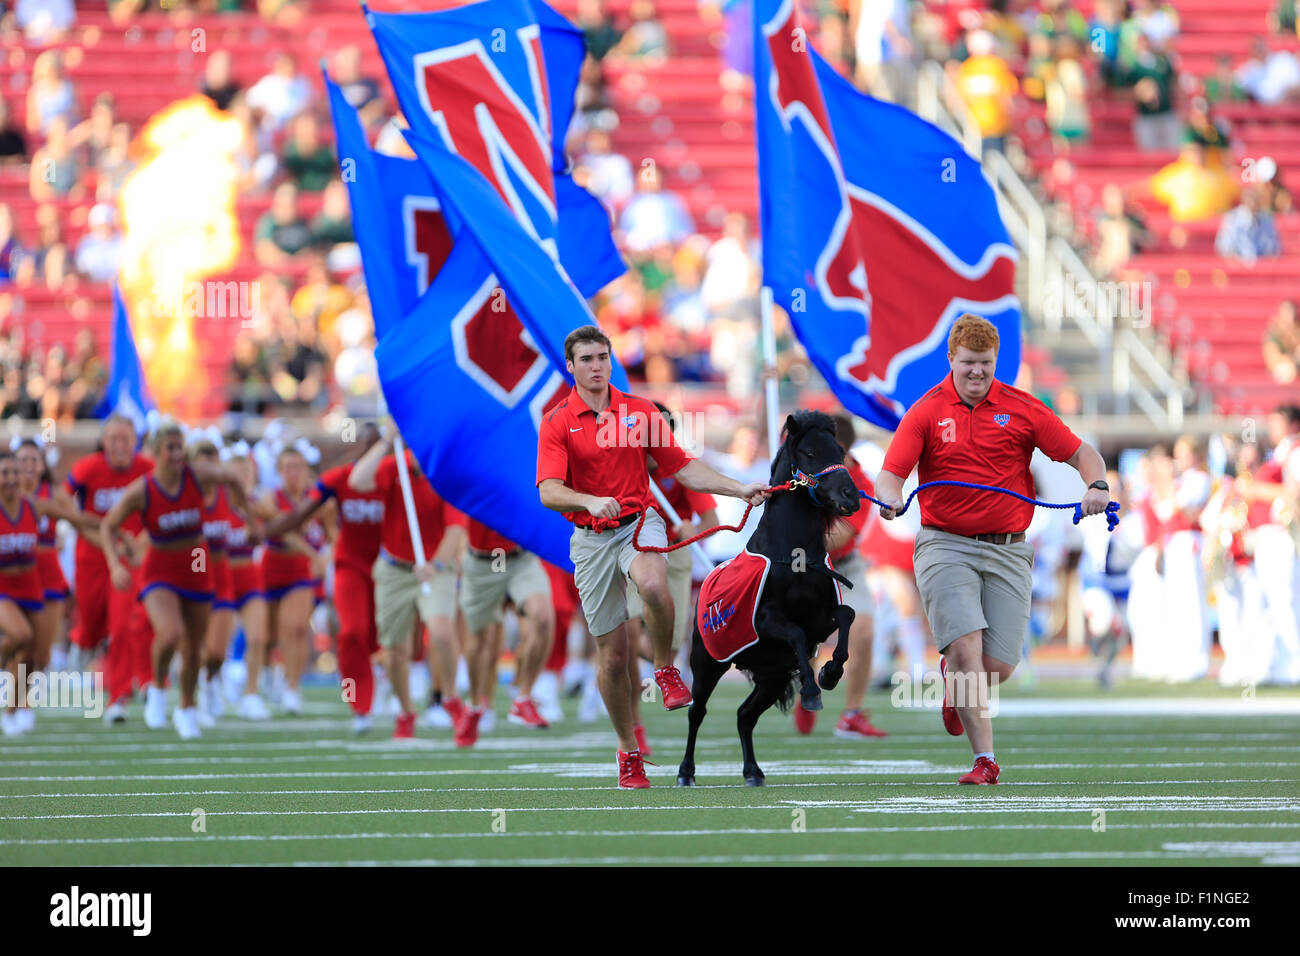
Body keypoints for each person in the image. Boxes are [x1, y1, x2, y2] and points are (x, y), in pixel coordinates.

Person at [874, 314, 1109, 784]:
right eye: (968, 364)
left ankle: (954, 681)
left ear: (995, 361)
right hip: (945, 545)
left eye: (985, 363)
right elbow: (891, 472)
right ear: (951, 360)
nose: (977, 372)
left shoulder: (1023, 408)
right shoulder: (926, 411)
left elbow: (1082, 453)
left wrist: (1097, 483)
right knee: (966, 649)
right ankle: (985, 760)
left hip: (1008, 549)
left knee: (996, 665)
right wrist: (891, 497)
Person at [536, 325, 769, 789]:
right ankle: (628, 751)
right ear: (571, 366)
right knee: (613, 658)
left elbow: (683, 467)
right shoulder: (558, 420)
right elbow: (548, 491)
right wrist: (586, 501)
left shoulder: (639, 413)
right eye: (587, 359)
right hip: (589, 536)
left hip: (639, 524)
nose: (597, 365)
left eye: (603, 356)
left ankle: (665, 668)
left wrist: (738, 488)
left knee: (657, 586)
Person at [100, 421, 250, 740]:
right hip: (160, 567)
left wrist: (247, 514)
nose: (177, 453)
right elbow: (107, 526)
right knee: (170, 634)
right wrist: (115, 565)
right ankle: (156, 688)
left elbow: (234, 476)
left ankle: (187, 707)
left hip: (196, 564)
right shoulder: (142, 490)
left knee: (195, 648)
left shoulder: (198, 474)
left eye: (180, 446)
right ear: (154, 453)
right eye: (170, 447)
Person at [265, 423, 386, 734]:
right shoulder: (339, 478)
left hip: (390, 569)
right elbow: (301, 514)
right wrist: (265, 532)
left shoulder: (395, 476)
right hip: (350, 567)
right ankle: (359, 704)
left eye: (378, 447)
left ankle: (399, 690)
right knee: (350, 633)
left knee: (384, 639)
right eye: (365, 446)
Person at [348, 430, 467, 740]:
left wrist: (436, 564)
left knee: (441, 629)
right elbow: (357, 482)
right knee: (394, 648)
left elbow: (455, 531)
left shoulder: (445, 476)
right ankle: (405, 712)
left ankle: (451, 698)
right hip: (394, 568)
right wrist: (385, 442)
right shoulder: (394, 466)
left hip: (436, 567)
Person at [625, 401, 719, 754]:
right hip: (629, 547)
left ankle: (651, 666)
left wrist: (689, 528)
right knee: (628, 631)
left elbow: (710, 523)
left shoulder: (679, 468)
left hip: (672, 552)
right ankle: (633, 723)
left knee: (672, 641)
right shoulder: (620, 463)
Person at [66, 416, 156, 722]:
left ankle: (118, 698)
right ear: (104, 442)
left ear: (135, 441)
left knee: (122, 627)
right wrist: (108, 544)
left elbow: (160, 513)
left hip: (128, 563)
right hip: (91, 558)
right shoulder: (87, 468)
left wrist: (137, 543)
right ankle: (82, 641)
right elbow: (65, 506)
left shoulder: (147, 470)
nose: (119, 445)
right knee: (91, 624)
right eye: (113, 439)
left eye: (125, 438)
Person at [1, 446, 93, 736]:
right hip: (9, 584)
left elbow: (79, 522)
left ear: (42, 465)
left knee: (39, 656)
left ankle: (20, 703)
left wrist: (112, 537)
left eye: (32, 461)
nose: (24, 469)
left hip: (44, 579)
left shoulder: (48, 498)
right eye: (19, 463)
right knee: (20, 636)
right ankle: (13, 705)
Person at [456, 520, 555, 746]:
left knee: (542, 616)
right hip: (482, 562)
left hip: (520, 557)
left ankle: (523, 698)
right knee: (480, 640)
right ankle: (473, 705)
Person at [250, 443, 332, 714]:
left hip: (301, 570)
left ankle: (292, 687)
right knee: (268, 634)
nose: (293, 473)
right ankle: (267, 676)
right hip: (272, 565)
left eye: (298, 467)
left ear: (306, 470)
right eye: (287, 468)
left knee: (296, 627)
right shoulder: (269, 498)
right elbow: (285, 531)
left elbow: (337, 536)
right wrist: (315, 554)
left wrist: (325, 560)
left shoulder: (319, 501)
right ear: (278, 471)